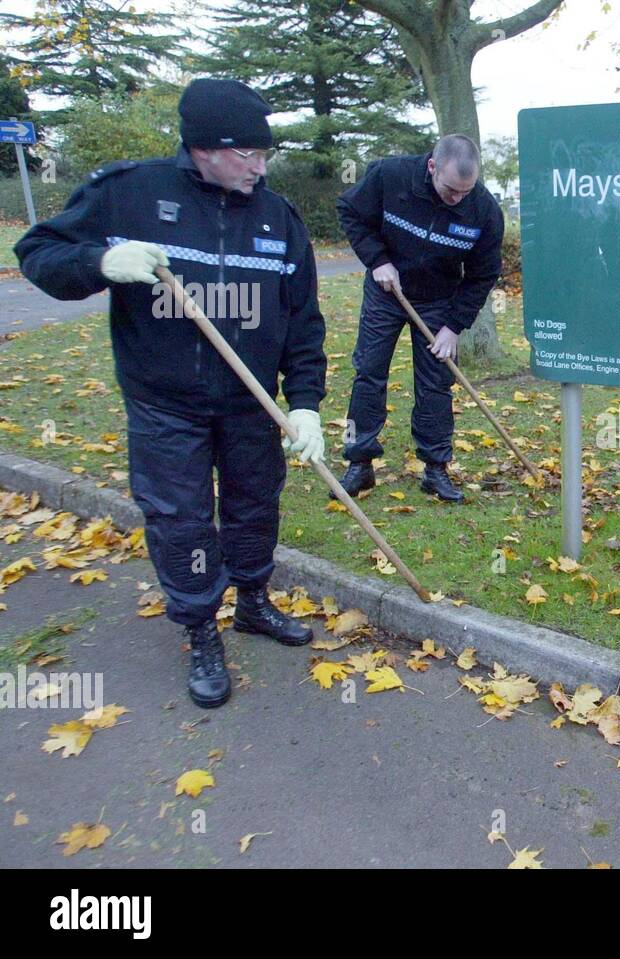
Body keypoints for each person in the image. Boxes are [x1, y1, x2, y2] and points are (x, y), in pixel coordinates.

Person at [15, 78, 328, 709]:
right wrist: (100, 264)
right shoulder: (129, 192)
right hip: (166, 404)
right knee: (181, 522)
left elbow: (302, 319)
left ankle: (253, 602)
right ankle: (200, 629)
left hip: (249, 404)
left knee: (252, 507)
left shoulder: (277, 216)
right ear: (205, 147)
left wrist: (304, 402)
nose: (260, 167)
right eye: (249, 155)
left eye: (266, 154)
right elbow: (39, 252)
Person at [334, 134, 505, 503]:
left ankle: (435, 469)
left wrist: (454, 326)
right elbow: (350, 211)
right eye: (451, 190)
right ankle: (358, 463)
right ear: (432, 166)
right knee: (368, 372)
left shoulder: (484, 210)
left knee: (436, 385)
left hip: (439, 301)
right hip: (387, 292)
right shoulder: (389, 176)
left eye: (466, 191)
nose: (458, 199)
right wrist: (377, 260)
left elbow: (483, 274)